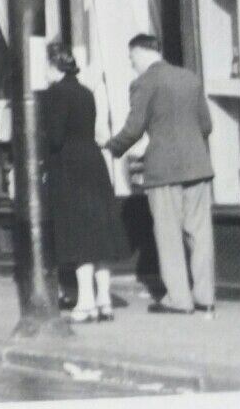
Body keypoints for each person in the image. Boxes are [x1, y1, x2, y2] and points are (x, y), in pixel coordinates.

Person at [106, 33, 214, 316]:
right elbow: (206, 125)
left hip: (164, 169)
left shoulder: (144, 82)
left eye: (131, 59)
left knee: (168, 235)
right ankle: (205, 297)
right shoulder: (189, 77)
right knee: (200, 234)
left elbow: (134, 128)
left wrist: (112, 147)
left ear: (140, 53)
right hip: (198, 165)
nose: (132, 65)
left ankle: (180, 300)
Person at [43, 41, 130, 323]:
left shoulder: (55, 94)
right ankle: (104, 300)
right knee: (98, 230)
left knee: (77, 232)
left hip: (68, 165)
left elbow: (54, 137)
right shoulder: (85, 93)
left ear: (52, 65)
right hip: (92, 162)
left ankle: (85, 301)